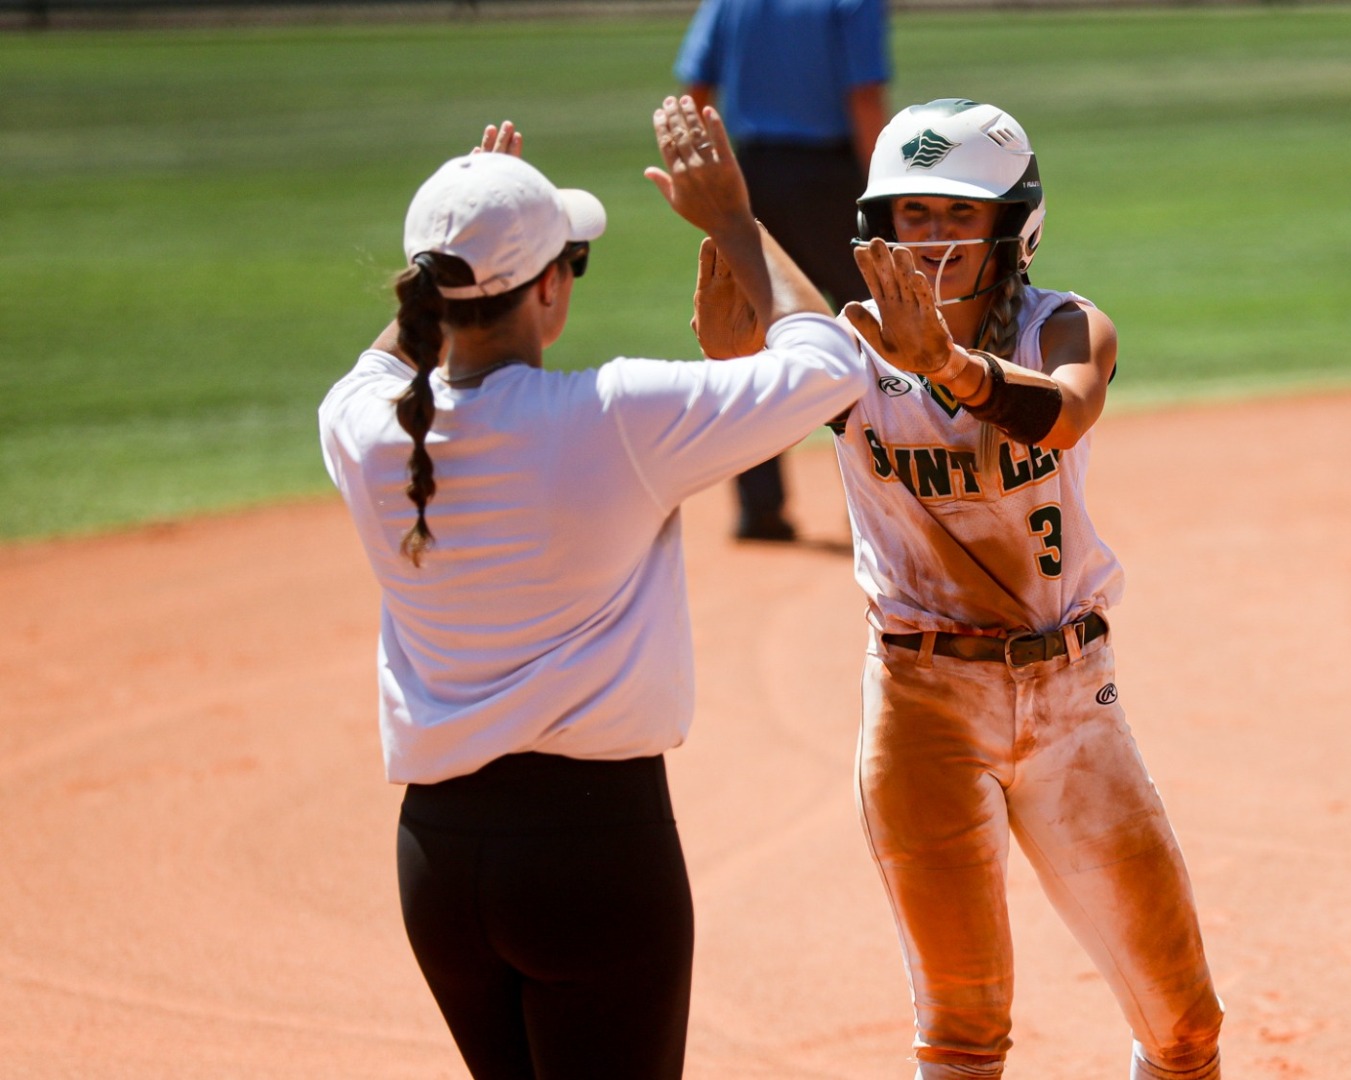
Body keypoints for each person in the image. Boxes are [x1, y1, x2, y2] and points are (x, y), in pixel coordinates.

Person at [316, 100, 865, 1079]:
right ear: (549, 295)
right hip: (595, 858)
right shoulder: (612, 417)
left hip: (438, 864)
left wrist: (458, 226)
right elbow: (829, 367)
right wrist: (735, 221)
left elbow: (385, 359)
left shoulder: (362, 430)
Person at [694, 98, 1225, 1080]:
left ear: (1015, 228)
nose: (933, 241)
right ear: (879, 230)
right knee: (963, 1035)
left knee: (1185, 1030)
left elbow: (1063, 413)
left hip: (1074, 703)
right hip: (922, 705)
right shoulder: (845, 350)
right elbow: (755, 347)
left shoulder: (1061, 325)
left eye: (959, 215)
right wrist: (731, 222)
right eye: (913, 216)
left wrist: (948, 366)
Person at [674, 0, 891, 541]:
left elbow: (694, 92)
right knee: (874, 327)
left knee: (748, 335)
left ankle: (760, 507)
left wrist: (710, 184)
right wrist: (884, 193)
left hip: (750, 177)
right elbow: (864, 95)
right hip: (831, 177)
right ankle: (887, 490)